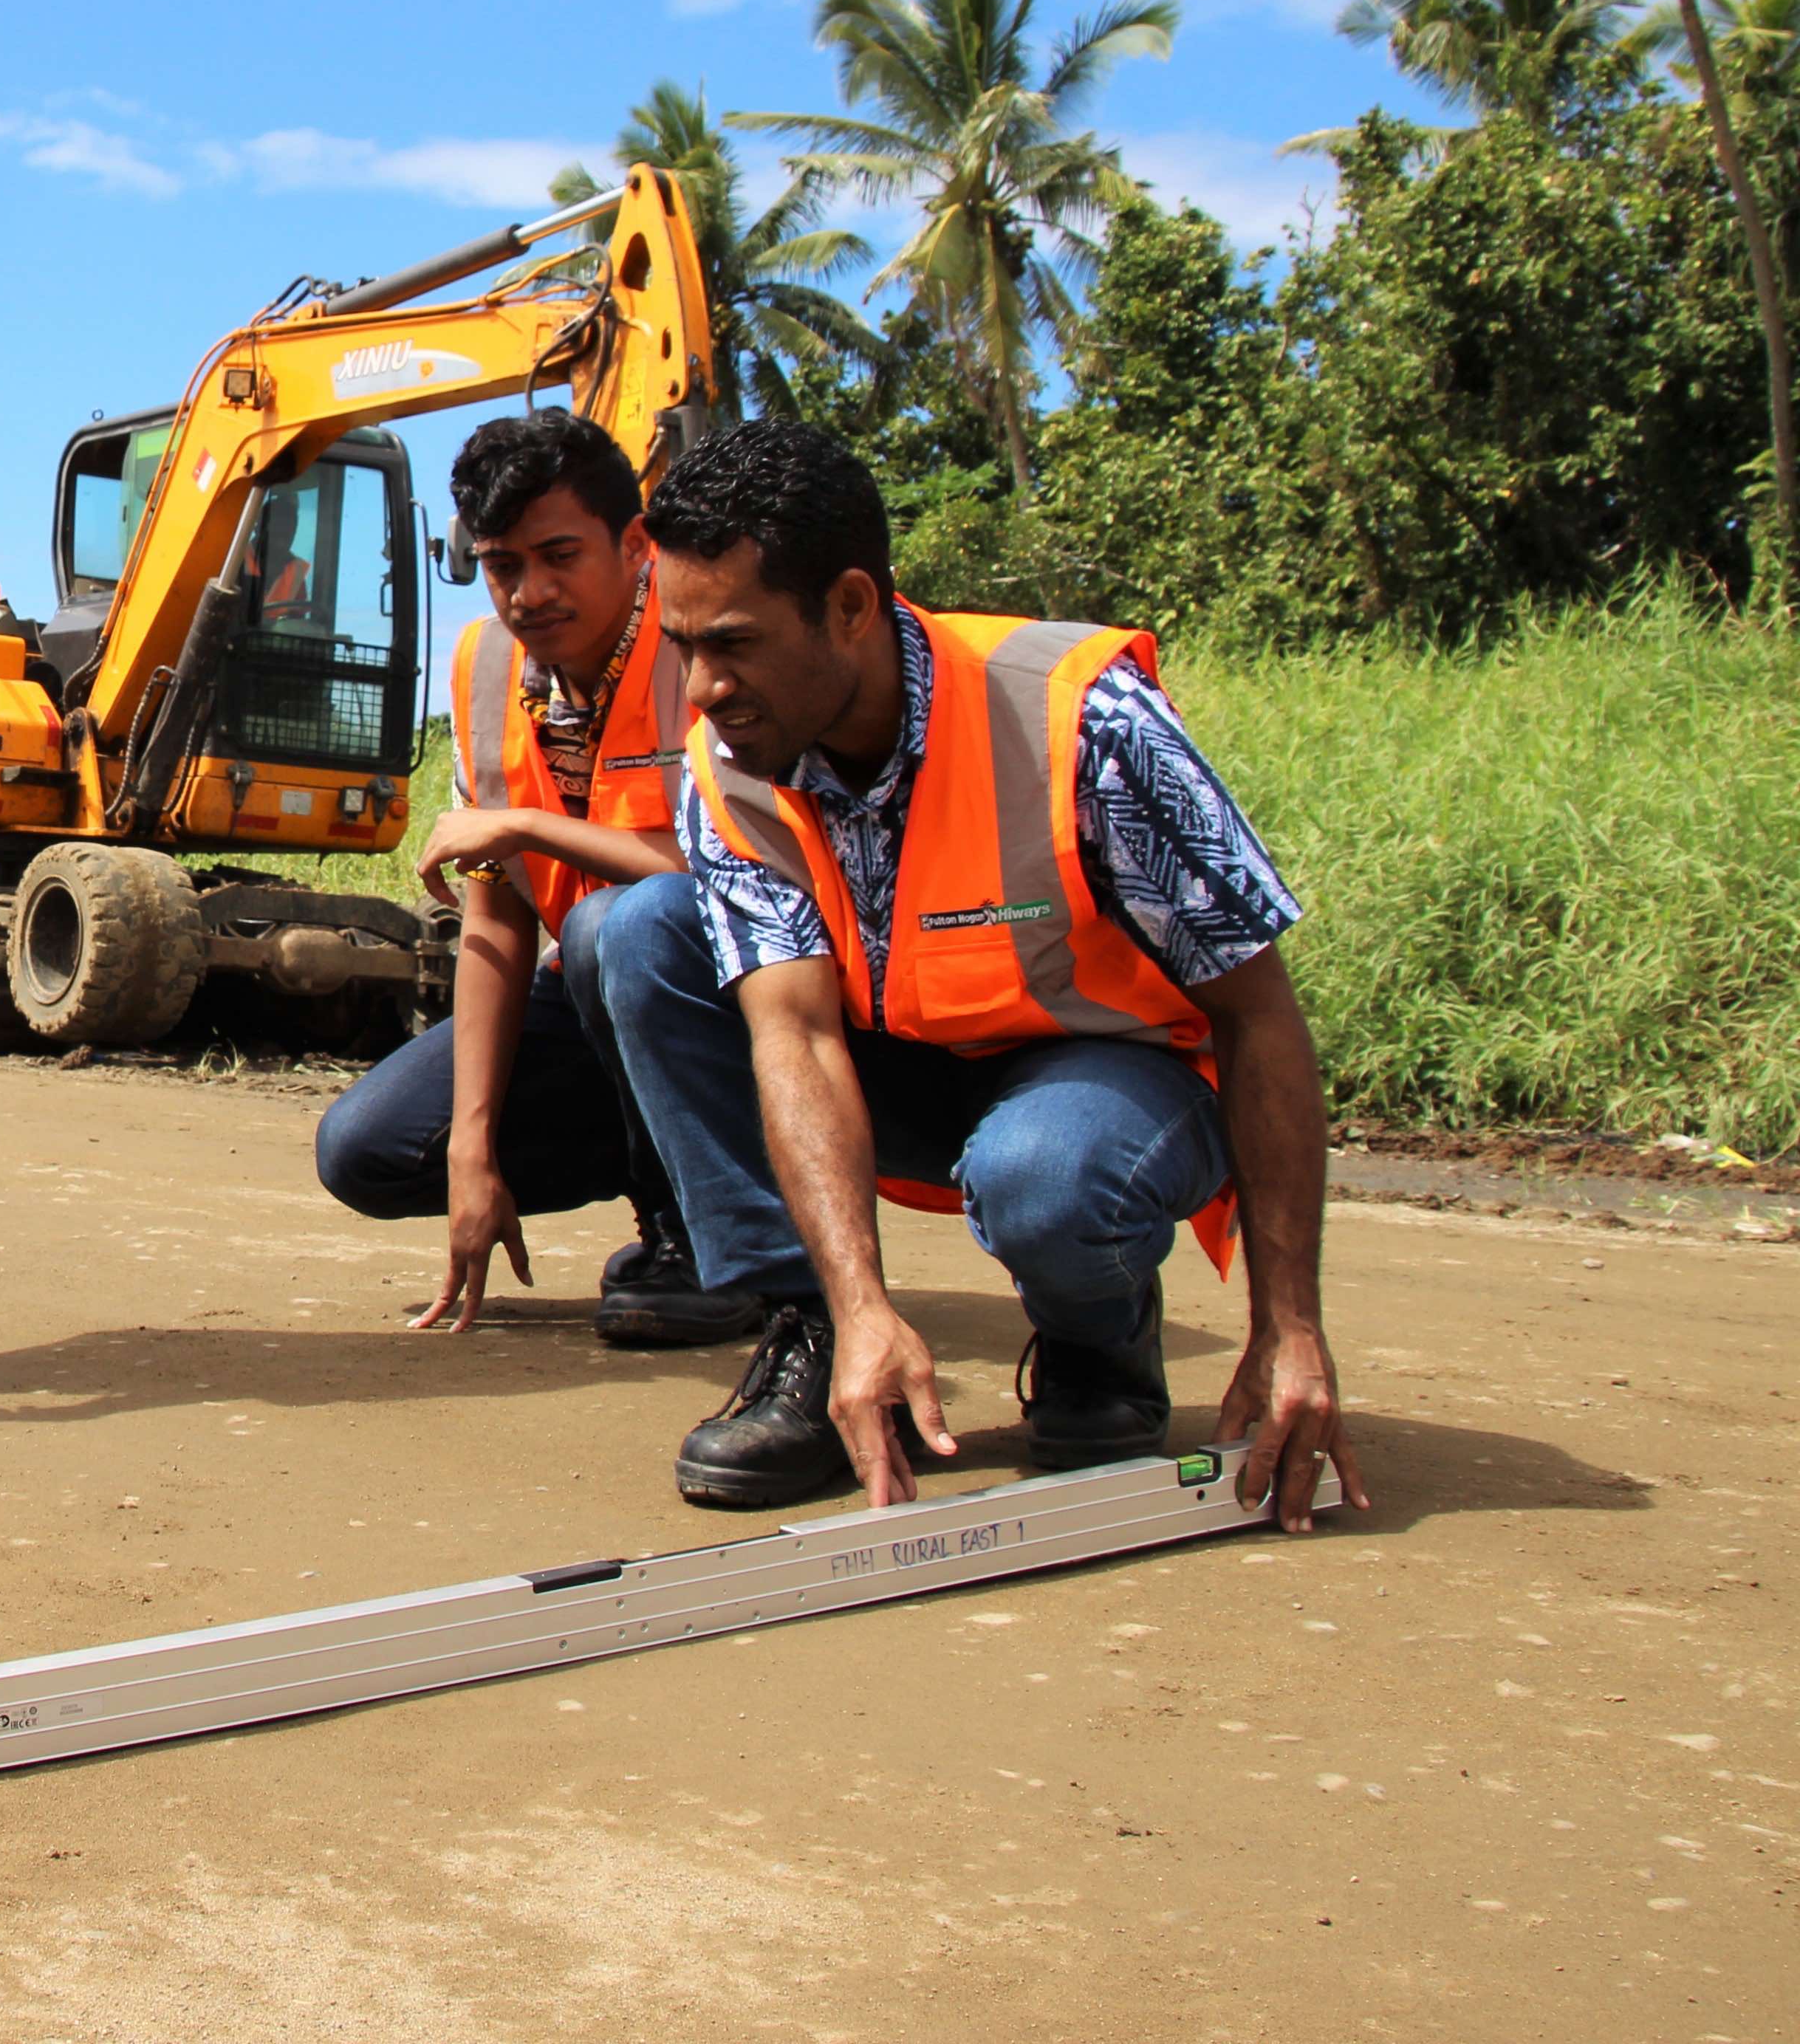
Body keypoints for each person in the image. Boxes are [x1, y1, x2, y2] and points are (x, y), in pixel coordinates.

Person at [589, 421, 1364, 1532]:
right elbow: (793, 1035)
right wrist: (859, 1300)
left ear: (851, 607)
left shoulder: (1082, 720)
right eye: (683, 646)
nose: (703, 688)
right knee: (645, 932)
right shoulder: (733, 758)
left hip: (1107, 1086)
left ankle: (1101, 1341)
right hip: (900, 1064)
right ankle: (817, 1339)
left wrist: (1290, 1327)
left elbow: (1259, 1014)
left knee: (1044, 1176)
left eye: (736, 643)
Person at [316, 413, 765, 1348]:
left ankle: (714, 1236)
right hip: (601, 992)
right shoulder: (489, 670)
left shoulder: (707, 648)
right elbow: (499, 909)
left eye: (559, 555)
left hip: (751, 994)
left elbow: (755, 884)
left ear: (635, 543)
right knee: (367, 1151)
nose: (530, 591)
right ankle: (669, 1174)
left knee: (617, 928)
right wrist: (472, 1151)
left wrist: (528, 825)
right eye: (503, 564)